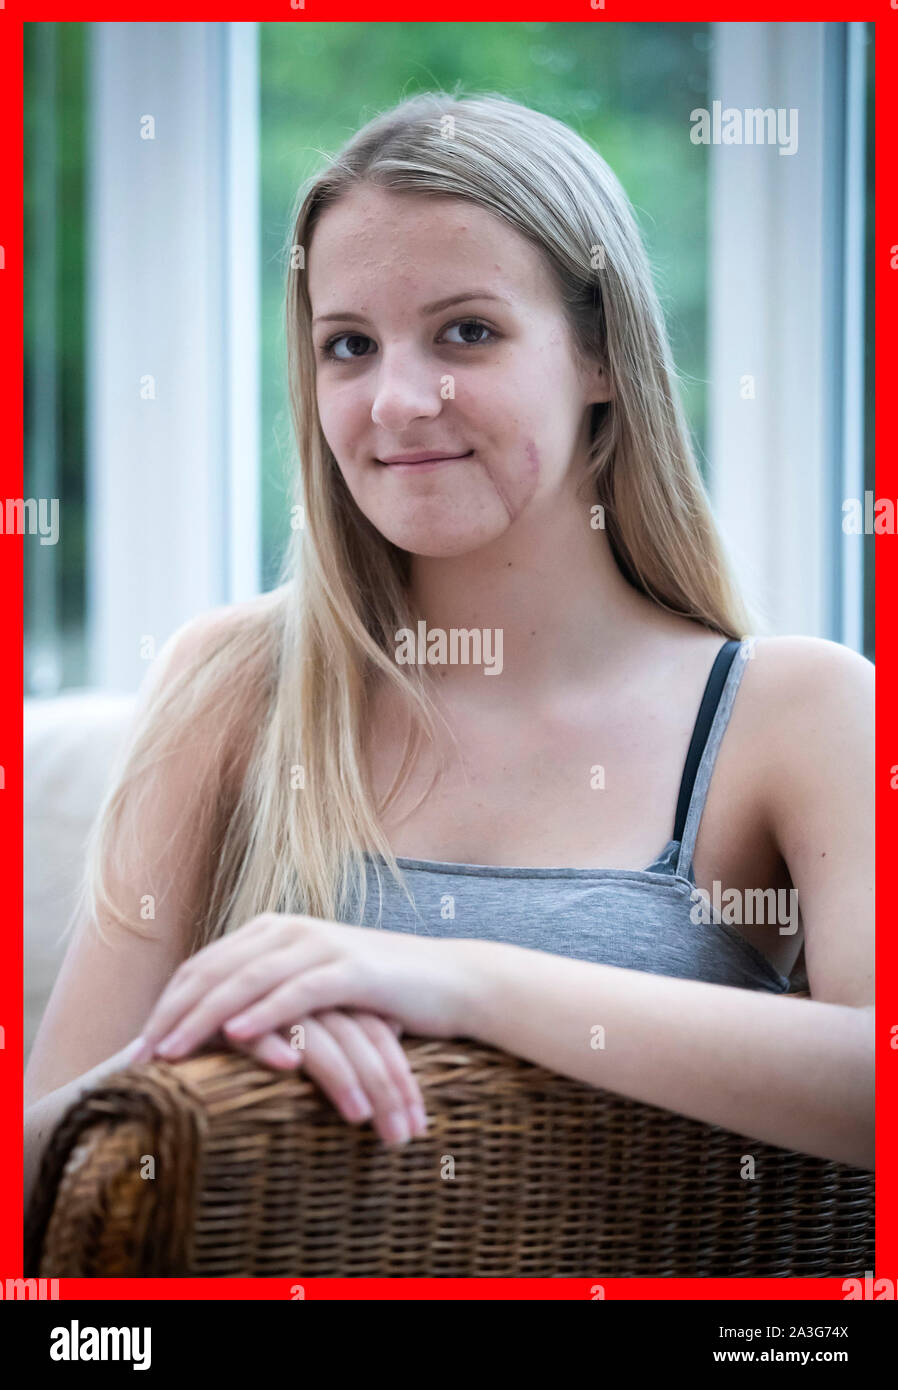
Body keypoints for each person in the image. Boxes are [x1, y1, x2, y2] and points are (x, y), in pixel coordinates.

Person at [25, 93, 874, 1214]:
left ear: (599, 356)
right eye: (348, 346)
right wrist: (220, 1048)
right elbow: (42, 1153)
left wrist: (450, 979)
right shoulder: (232, 679)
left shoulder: (793, 708)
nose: (397, 401)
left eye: (466, 331)